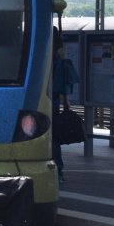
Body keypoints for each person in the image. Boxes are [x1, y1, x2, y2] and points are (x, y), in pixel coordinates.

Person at [50, 28, 80, 183]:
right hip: (53, 101)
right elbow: (63, 85)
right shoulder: (59, 59)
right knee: (54, 137)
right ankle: (58, 170)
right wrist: (67, 104)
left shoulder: (37, 55)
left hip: (37, 99)